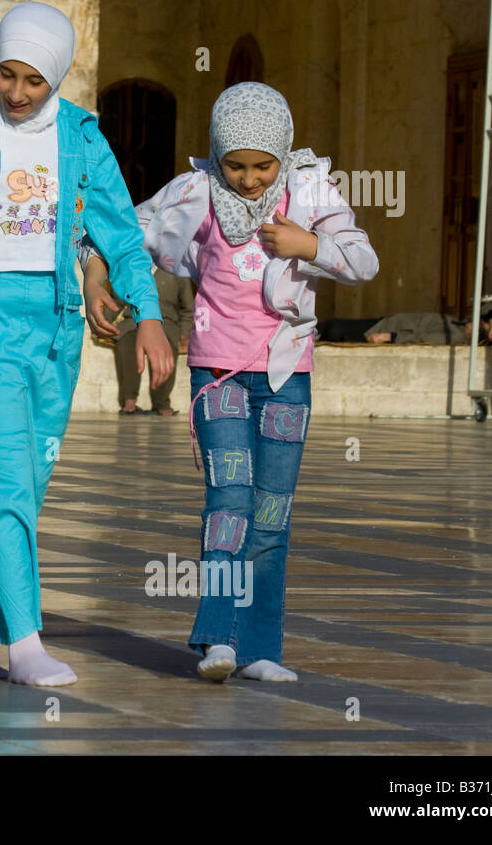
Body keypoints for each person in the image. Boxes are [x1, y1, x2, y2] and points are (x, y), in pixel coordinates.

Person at [83, 82, 378, 683]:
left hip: (287, 375)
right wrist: (97, 277)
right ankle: (217, 637)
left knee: (272, 515)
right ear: (218, 156)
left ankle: (260, 648)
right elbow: (116, 232)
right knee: (230, 503)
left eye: (261, 166)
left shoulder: (312, 192)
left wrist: (310, 244)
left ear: (284, 154)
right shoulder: (195, 193)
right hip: (218, 373)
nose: (247, 179)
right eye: (236, 165)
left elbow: (364, 261)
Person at [0, 2, 172, 686]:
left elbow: (120, 230)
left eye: (34, 80)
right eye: (6, 74)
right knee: (3, 483)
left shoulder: (83, 138)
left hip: (58, 323)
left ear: (56, 77)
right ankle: (26, 642)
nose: (17, 92)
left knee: (27, 486)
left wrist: (148, 314)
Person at [103, 268, 195, 415]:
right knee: (127, 344)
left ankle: (162, 402)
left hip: (167, 324)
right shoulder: (132, 266)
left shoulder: (174, 270)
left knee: (166, 349)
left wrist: (184, 332)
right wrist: (103, 321)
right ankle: (129, 400)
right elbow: (117, 300)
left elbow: (188, 308)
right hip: (133, 322)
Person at [316, 311, 492, 345]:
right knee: (332, 326)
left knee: (335, 329)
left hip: (385, 330)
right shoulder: (457, 323)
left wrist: (389, 337)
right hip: (389, 321)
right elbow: (488, 309)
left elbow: (421, 338)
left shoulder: (455, 335)